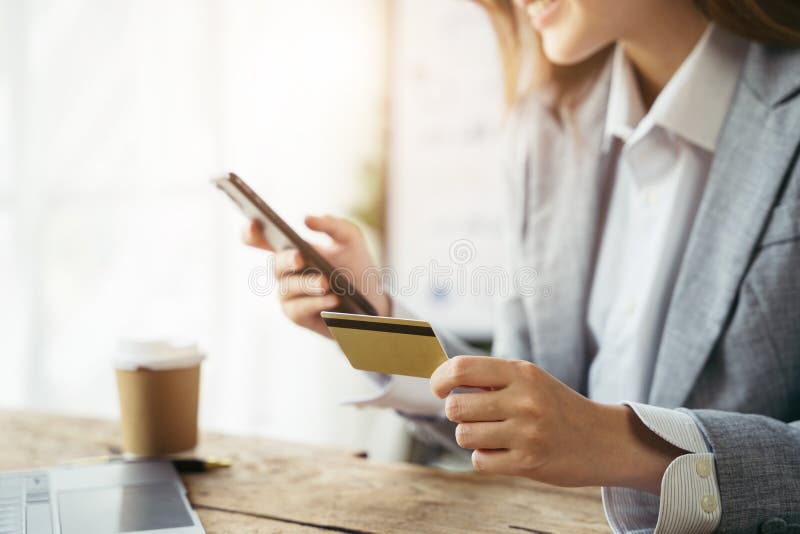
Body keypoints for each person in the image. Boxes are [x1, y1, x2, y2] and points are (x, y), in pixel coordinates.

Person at [244, 0, 800, 532]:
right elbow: (520, 406)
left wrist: (619, 444)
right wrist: (372, 317)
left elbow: (574, 433)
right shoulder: (547, 131)